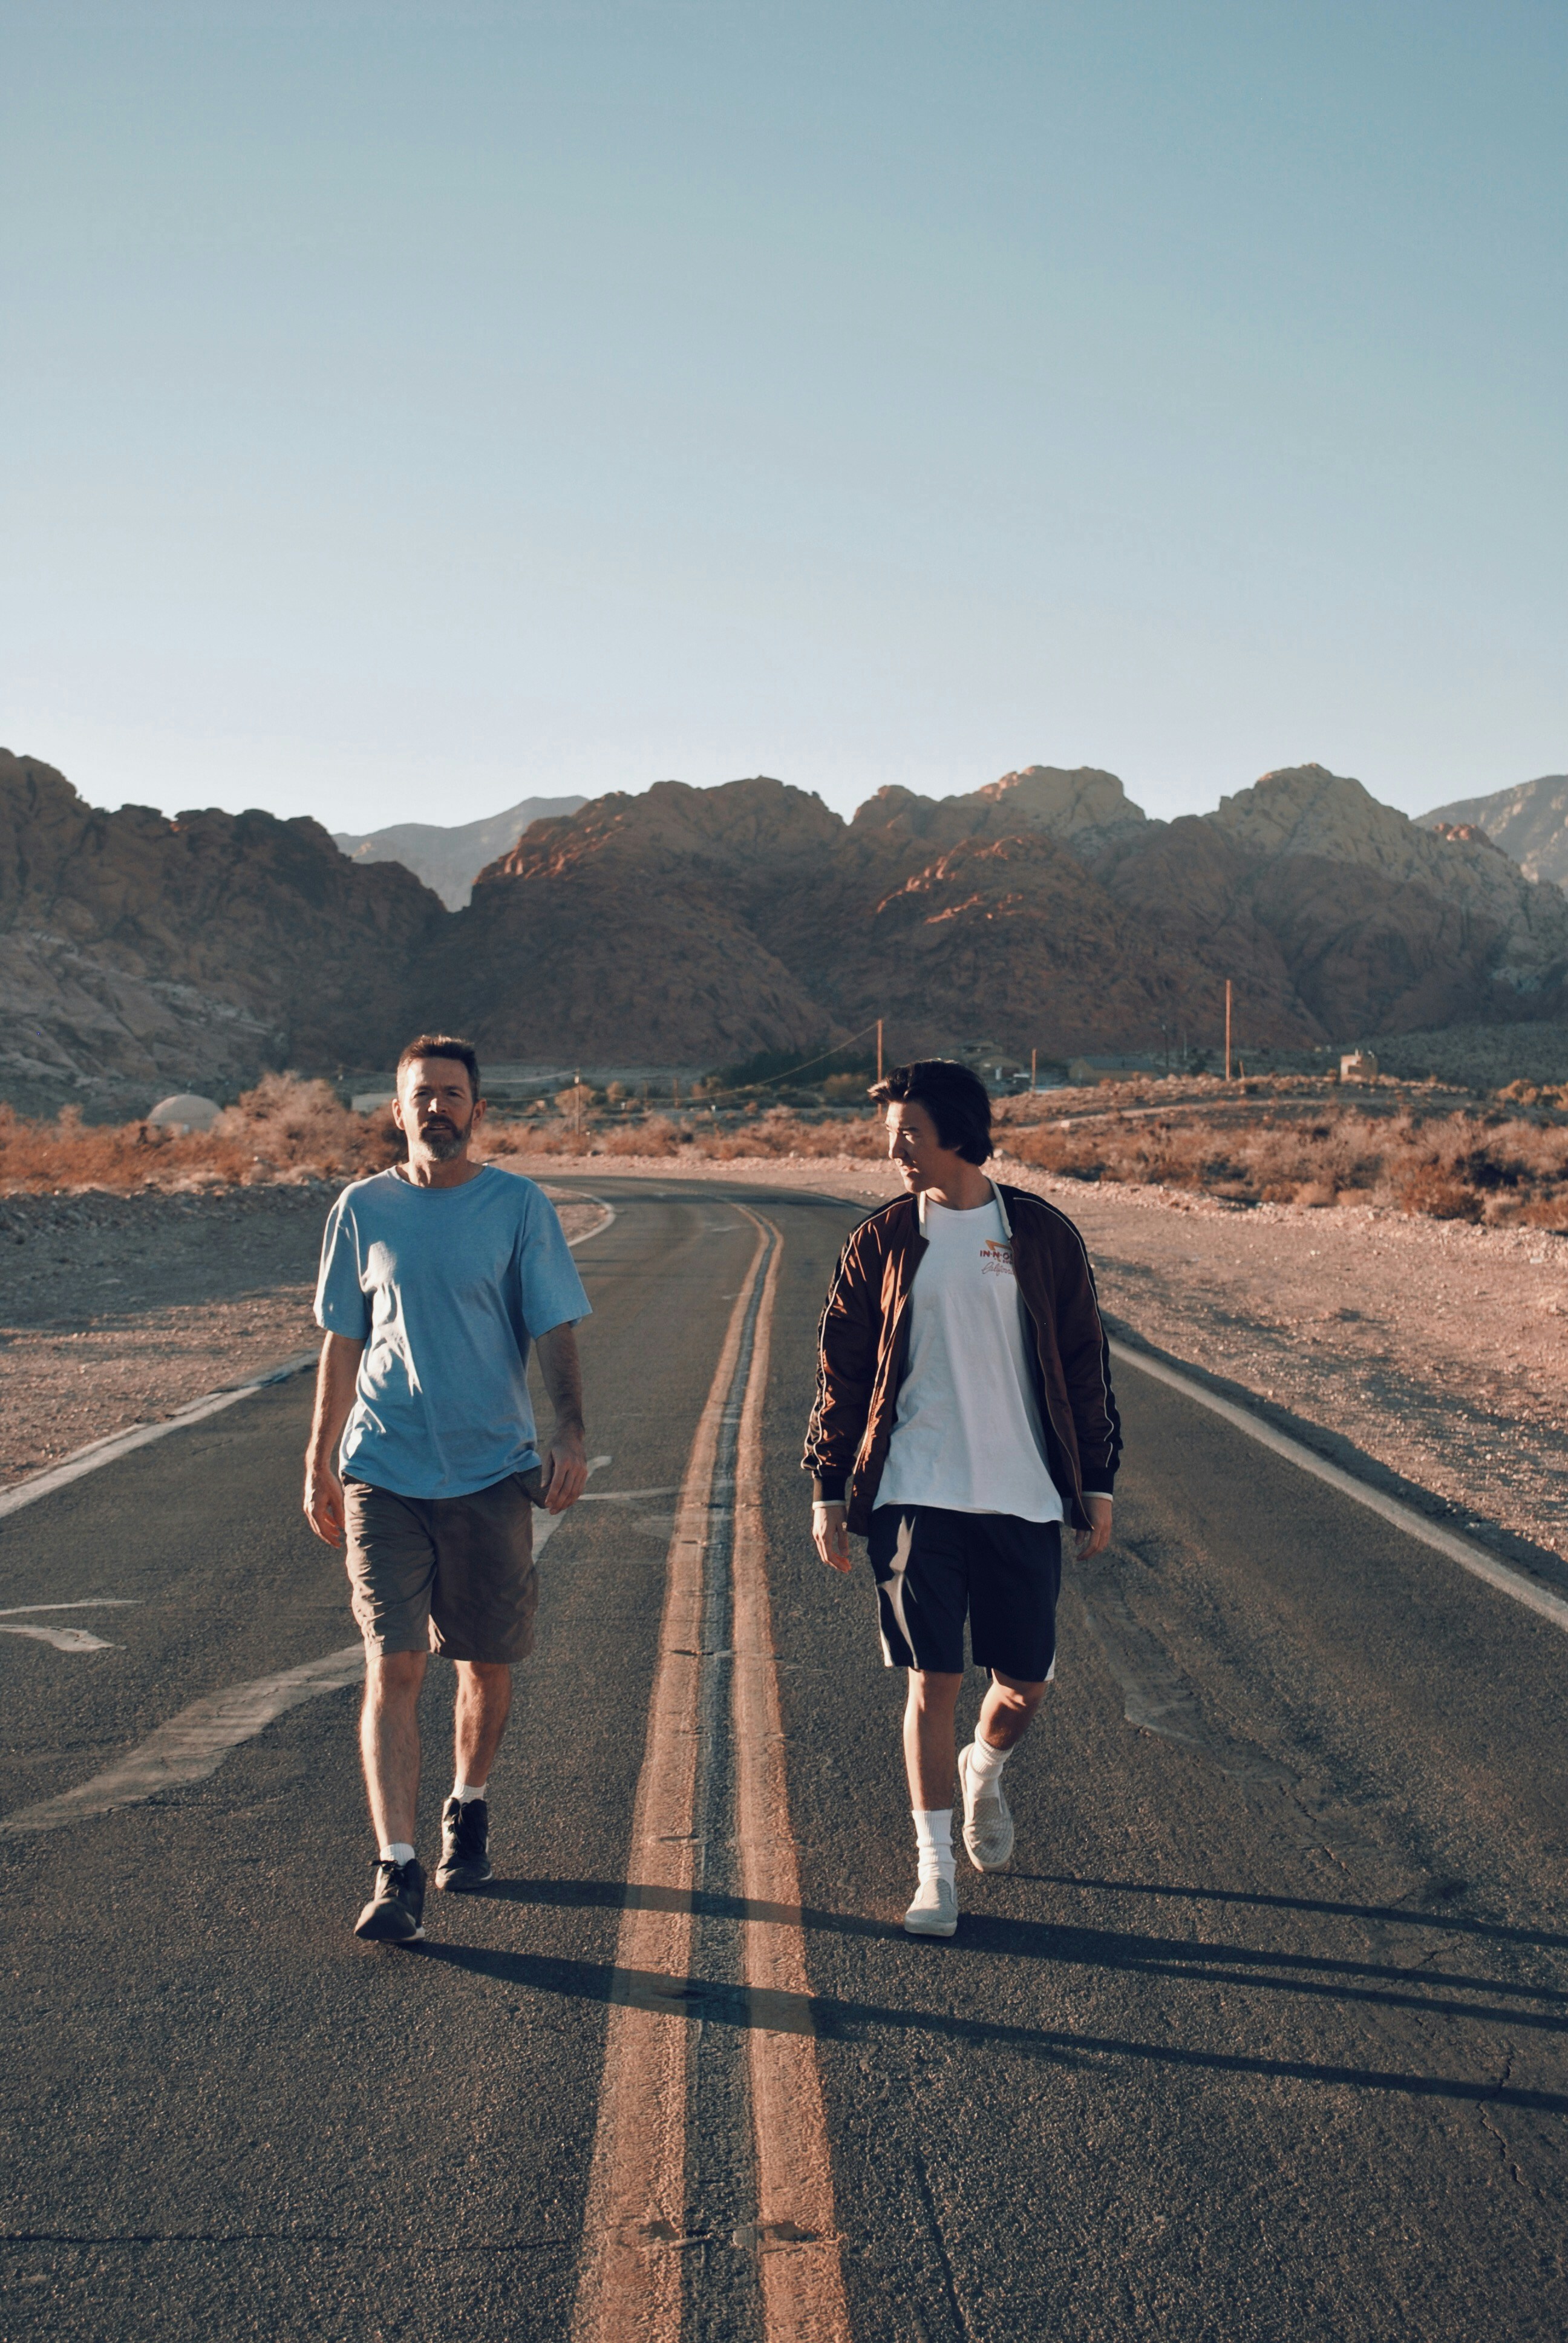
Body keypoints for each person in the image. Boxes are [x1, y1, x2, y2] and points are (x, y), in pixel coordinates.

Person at [805, 1058, 1120, 1937]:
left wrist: (1096, 1480)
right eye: (890, 1136)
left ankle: (984, 1769)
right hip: (916, 1491)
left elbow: (1084, 1362)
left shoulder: (1041, 1236)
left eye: (909, 1134)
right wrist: (829, 1487)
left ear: (959, 1133)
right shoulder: (881, 1242)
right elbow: (841, 1374)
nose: (895, 1151)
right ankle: (933, 1869)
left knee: (1022, 1687)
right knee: (930, 1678)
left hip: (1021, 1492)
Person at [303, 1034, 590, 1944]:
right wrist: (319, 1459)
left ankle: (468, 1804)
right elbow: (342, 1342)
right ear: (397, 1111)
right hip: (382, 1470)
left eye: (452, 1094)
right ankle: (396, 1867)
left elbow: (555, 1327)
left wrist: (572, 1431)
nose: (437, 1107)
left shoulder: (518, 1207)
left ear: (476, 1109)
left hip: (491, 1471)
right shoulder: (361, 1209)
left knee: (485, 1661)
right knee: (393, 1662)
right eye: (421, 1094)